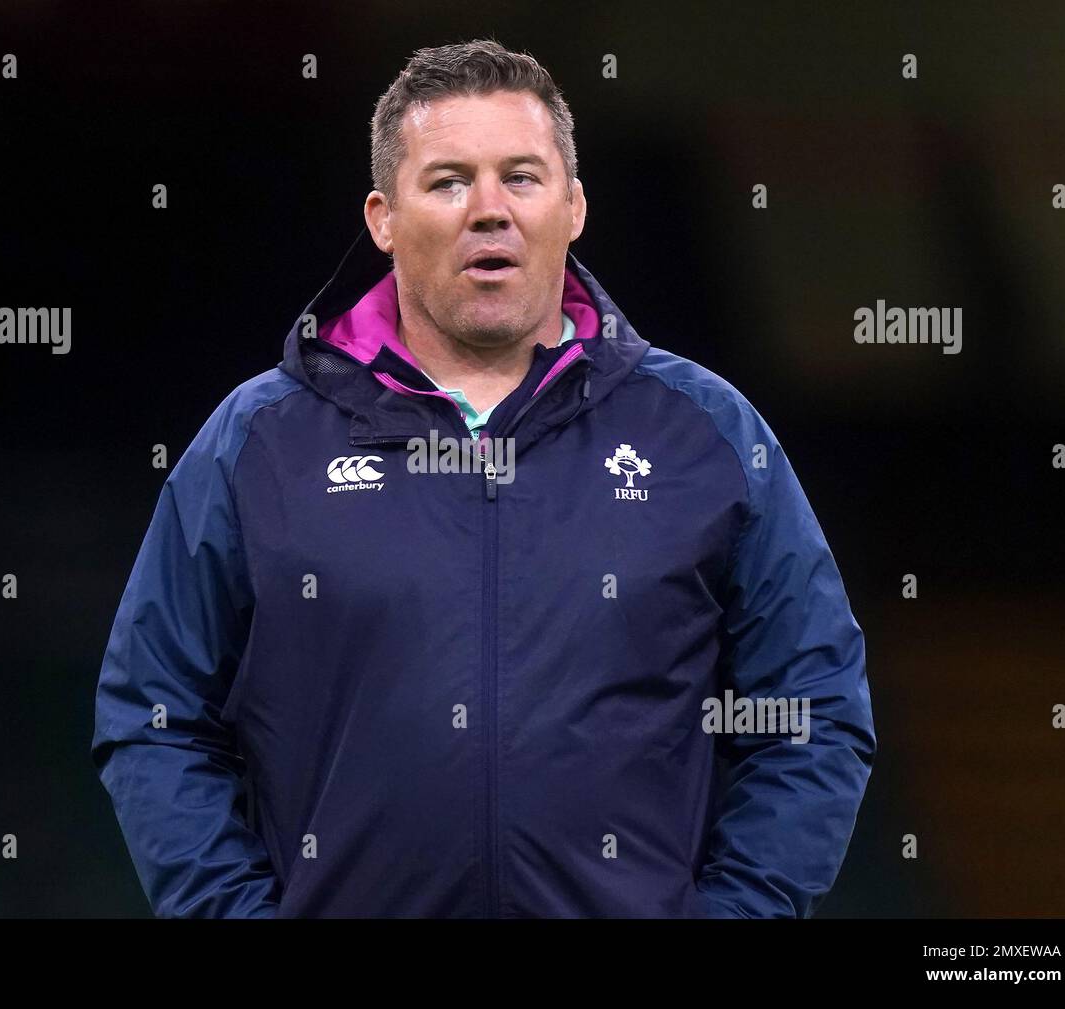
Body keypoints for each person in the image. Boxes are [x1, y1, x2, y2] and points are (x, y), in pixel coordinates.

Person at [90, 38, 876, 918]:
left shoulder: (705, 434)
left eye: (523, 176)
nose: (490, 210)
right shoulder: (260, 440)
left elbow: (813, 710)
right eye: (450, 180)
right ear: (384, 218)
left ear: (573, 206)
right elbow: (152, 714)